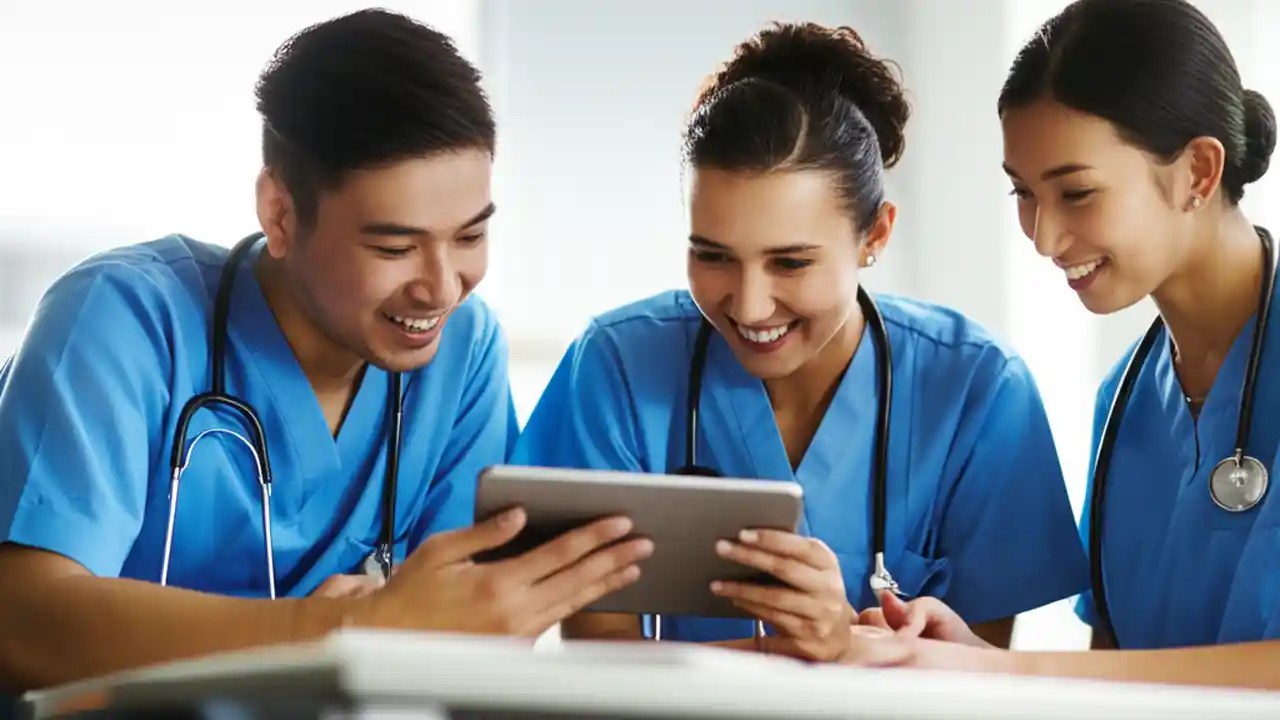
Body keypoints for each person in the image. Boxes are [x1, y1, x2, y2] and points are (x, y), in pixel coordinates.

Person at [0, 9, 652, 693]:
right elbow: (21, 619)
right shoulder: (123, 320)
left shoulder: (463, 353)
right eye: (394, 247)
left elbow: (460, 639)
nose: (441, 287)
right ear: (281, 215)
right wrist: (346, 629)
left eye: (469, 237)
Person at [510, 22, 1087, 662]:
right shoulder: (616, 367)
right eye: (713, 256)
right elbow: (597, 660)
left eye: (790, 263)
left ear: (876, 235)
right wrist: (824, 654)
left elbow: (978, 675)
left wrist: (841, 645)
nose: (749, 304)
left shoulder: (979, 390)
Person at [841, 0, 1280, 691]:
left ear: (1197, 171)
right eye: (1023, 193)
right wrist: (971, 660)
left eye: (1076, 192)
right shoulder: (1126, 404)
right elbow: (1116, 677)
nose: (1043, 237)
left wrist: (1008, 666)